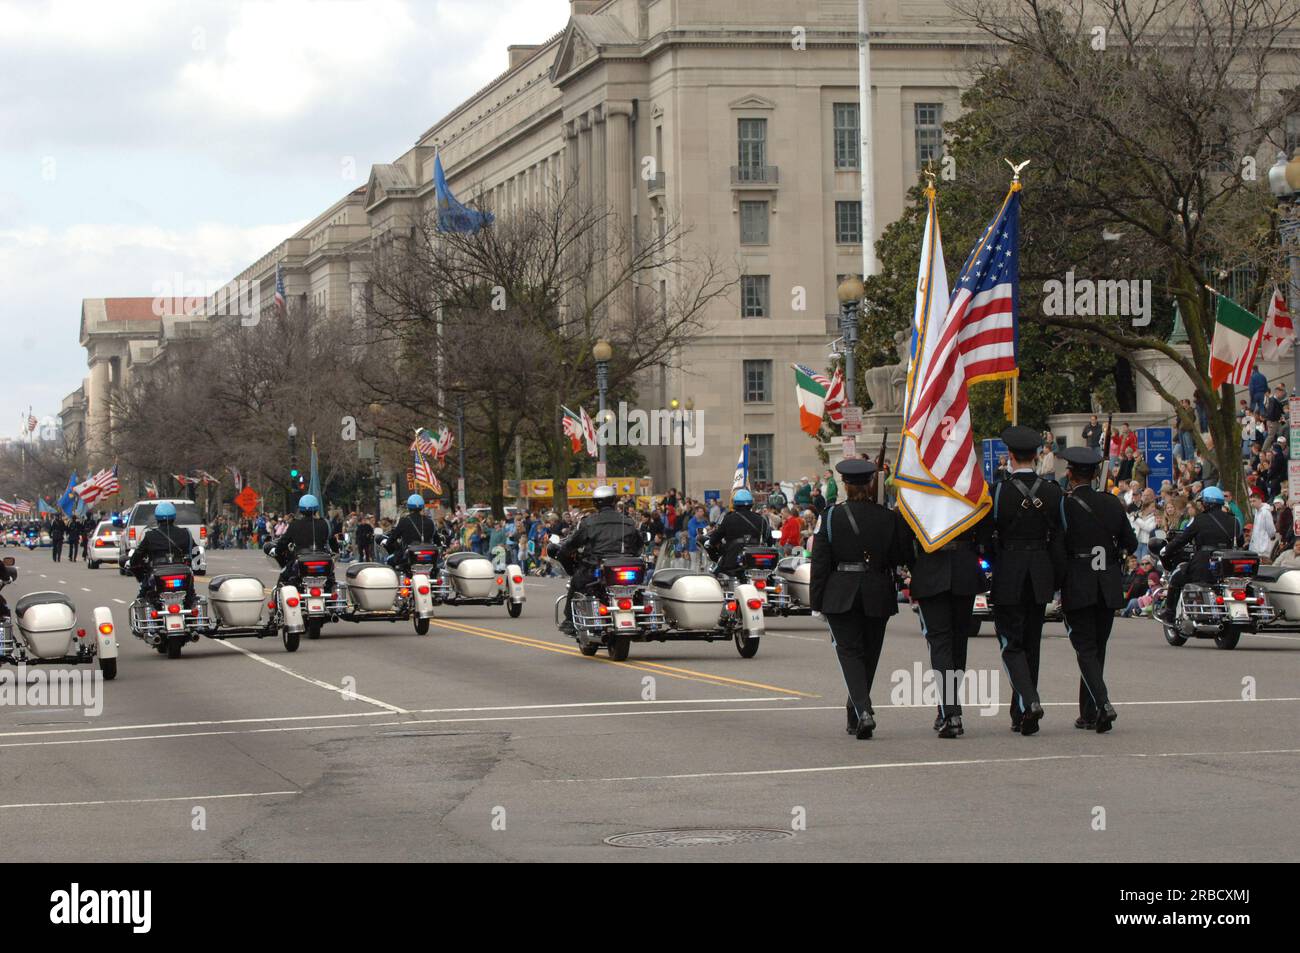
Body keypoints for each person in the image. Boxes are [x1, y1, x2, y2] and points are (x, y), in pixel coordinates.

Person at [811, 459, 910, 739]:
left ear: (845, 485)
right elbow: (898, 557)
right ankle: (857, 710)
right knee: (869, 653)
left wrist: (816, 602)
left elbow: (820, 563)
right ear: (870, 485)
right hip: (877, 589)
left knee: (850, 652)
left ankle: (863, 710)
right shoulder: (888, 517)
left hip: (841, 591)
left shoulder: (830, 517)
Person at [990, 425, 1065, 736]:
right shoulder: (1052, 491)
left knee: (1011, 644)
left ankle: (1030, 701)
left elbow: (989, 535)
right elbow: (1059, 539)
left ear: (1010, 456)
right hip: (1039, 572)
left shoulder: (999, 491)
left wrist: (993, 565)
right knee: (1031, 644)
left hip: (1009, 570)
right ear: (1036, 456)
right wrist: (1056, 578)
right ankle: (1021, 711)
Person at [1058, 447, 1136, 733]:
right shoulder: (1112, 503)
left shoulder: (1065, 505)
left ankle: (1101, 704)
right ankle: (1088, 712)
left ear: (1070, 474)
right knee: (1096, 649)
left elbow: (1059, 545)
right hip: (1107, 583)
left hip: (1079, 583)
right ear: (1093, 475)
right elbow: (1130, 541)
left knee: (1085, 649)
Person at [905, 507, 993, 739]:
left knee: (941, 643)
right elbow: (984, 529)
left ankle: (950, 713)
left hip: (932, 565)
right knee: (957, 643)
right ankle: (948, 708)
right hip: (964, 566)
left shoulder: (923, 488)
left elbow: (907, 534)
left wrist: (917, 564)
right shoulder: (965, 488)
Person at [556, 484, 643, 635]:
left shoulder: (589, 522)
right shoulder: (627, 521)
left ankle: (570, 620)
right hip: (626, 569)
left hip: (596, 569)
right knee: (637, 591)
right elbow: (638, 545)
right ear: (614, 501)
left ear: (595, 503)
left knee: (576, 582)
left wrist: (563, 551)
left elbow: (571, 545)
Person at [1158, 485, 1243, 624]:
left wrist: (1167, 549)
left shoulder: (1199, 520)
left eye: (1202, 502)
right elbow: (1240, 541)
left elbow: (1182, 539)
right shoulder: (1234, 520)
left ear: (1207, 503)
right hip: (1227, 565)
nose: (1201, 505)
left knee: (1176, 576)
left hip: (1204, 563)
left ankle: (1169, 614)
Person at [126, 501, 197, 601]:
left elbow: (137, 556)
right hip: (183, 573)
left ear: (156, 518)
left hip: (157, 574)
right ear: (174, 517)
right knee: (191, 597)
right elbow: (195, 553)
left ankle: (143, 608)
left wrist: (133, 563)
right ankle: (191, 608)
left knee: (142, 597)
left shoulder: (150, 536)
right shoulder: (186, 534)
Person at [272, 495, 340, 586]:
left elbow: (283, 542)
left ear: (300, 510)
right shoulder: (326, 524)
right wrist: (336, 552)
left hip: (300, 559)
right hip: (322, 559)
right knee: (331, 580)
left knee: (283, 579)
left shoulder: (294, 525)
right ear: (316, 509)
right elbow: (333, 542)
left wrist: (277, 550)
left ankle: (279, 599)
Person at [703, 489, 773, 576]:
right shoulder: (760, 519)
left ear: (735, 504)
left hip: (732, 560)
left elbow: (716, 538)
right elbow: (769, 540)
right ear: (751, 503)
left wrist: (711, 542)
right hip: (756, 561)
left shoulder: (729, 519)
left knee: (716, 576)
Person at [386, 494, 443, 560]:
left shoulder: (404, 521)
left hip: (408, 559)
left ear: (408, 507)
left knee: (389, 561)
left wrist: (392, 545)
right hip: (428, 558)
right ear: (422, 507)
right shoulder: (430, 521)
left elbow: (391, 539)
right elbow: (437, 542)